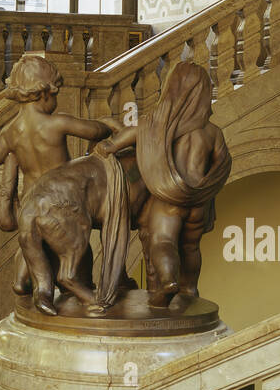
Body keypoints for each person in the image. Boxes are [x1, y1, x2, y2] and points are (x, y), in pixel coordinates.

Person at [95, 60, 231, 310]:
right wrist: (202, 186)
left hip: (168, 201)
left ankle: (168, 282)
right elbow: (223, 163)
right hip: (198, 200)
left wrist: (109, 144)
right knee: (191, 246)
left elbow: (118, 142)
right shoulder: (212, 132)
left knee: (163, 241)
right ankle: (190, 287)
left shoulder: (157, 126)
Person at [0, 54, 112, 310]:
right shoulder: (57, 123)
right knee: (80, 254)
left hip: (29, 205)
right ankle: (79, 290)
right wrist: (107, 125)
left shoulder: (12, 131)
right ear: (44, 93)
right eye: (56, 94)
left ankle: (28, 282)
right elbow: (96, 132)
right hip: (62, 202)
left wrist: (12, 149)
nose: (56, 101)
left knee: (31, 244)